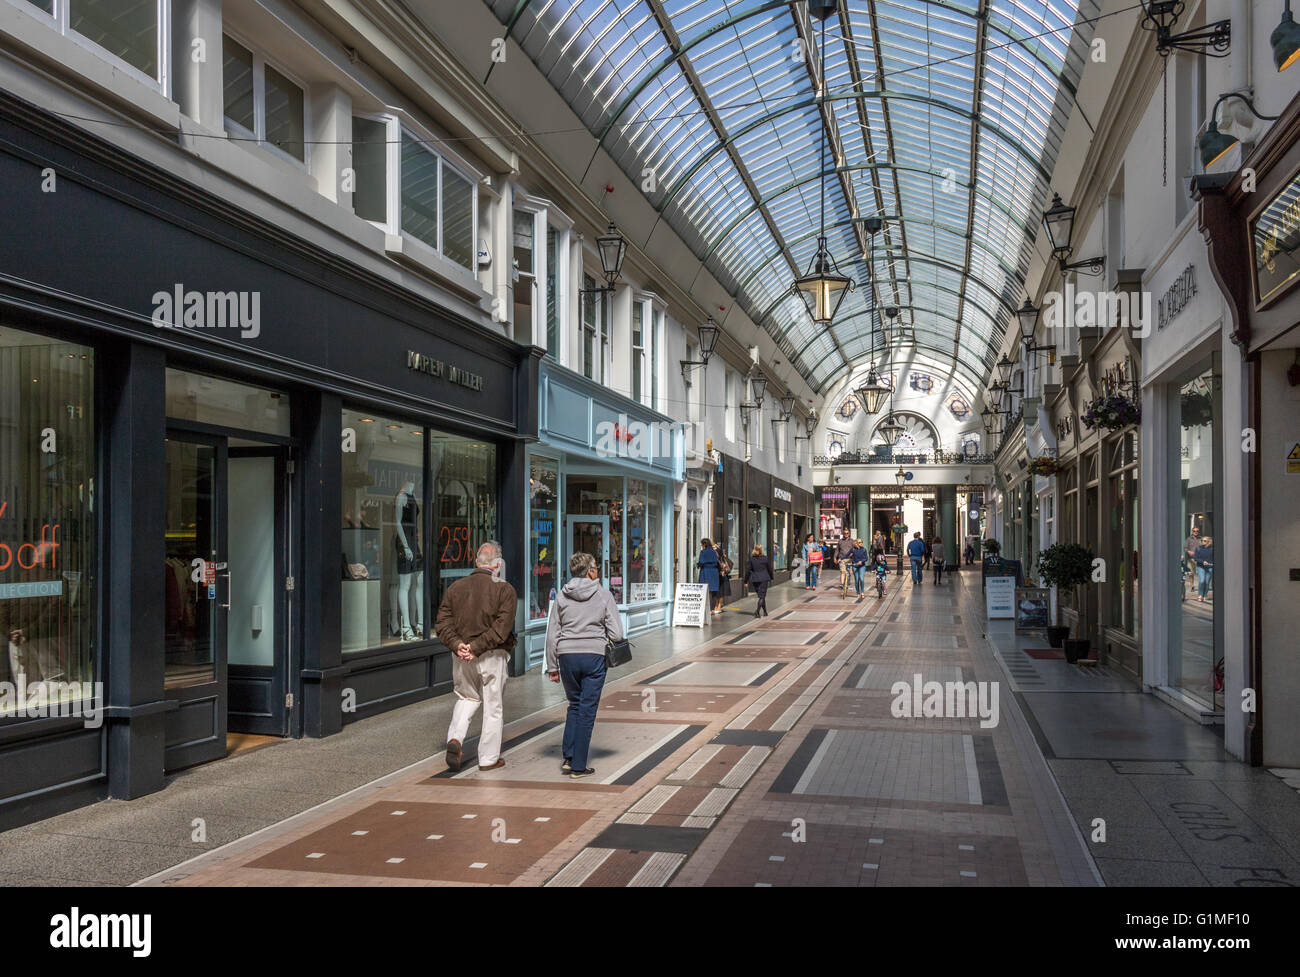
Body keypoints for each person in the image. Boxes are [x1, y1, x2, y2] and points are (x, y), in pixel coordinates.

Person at [436, 541, 516, 773]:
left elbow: (442, 623)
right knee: (493, 705)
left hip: (461, 656)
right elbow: (502, 628)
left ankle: (455, 739)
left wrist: (458, 645)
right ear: (498, 564)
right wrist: (476, 647)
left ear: (476, 562)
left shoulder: (456, 588)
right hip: (492, 655)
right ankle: (488, 759)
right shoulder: (504, 589)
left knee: (466, 698)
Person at [545, 551, 622, 779]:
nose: (597, 571)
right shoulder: (603, 595)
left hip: (567, 656)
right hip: (594, 656)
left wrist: (552, 667)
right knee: (587, 710)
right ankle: (579, 766)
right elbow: (617, 634)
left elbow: (552, 634)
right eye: (596, 567)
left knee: (575, 705)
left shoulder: (561, 596)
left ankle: (569, 757)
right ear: (590, 571)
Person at [744, 544, 773, 617]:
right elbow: (769, 569)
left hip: (755, 579)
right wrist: (771, 577)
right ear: (761, 550)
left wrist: (745, 581)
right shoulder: (765, 558)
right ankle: (757, 611)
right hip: (764, 579)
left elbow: (748, 571)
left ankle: (765, 612)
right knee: (762, 596)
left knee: (761, 596)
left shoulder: (752, 559)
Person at [697, 539, 721, 615]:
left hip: (705, 572)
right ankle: (711, 609)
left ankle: (704, 609)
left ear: (704, 544)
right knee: (713, 591)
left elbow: (701, 562)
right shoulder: (714, 552)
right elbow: (717, 562)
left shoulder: (703, 552)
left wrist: (698, 565)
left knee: (704, 590)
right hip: (714, 572)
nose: (702, 546)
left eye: (702, 545)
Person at [1193, 536, 1214, 603]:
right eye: (1202, 540)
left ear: (1208, 541)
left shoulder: (1212, 549)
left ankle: (1205, 595)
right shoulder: (1198, 548)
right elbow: (1195, 558)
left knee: (1207, 582)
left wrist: (1212, 564)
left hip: (1210, 567)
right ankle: (1200, 595)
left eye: (1204, 541)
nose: (1202, 542)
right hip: (1200, 566)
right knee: (1202, 581)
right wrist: (1202, 562)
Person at [715, 543, 733, 612]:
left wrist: (723, 569)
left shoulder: (722, 559)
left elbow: (725, 567)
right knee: (718, 592)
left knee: (721, 592)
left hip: (723, 577)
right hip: (718, 576)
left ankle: (719, 606)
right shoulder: (718, 559)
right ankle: (717, 605)